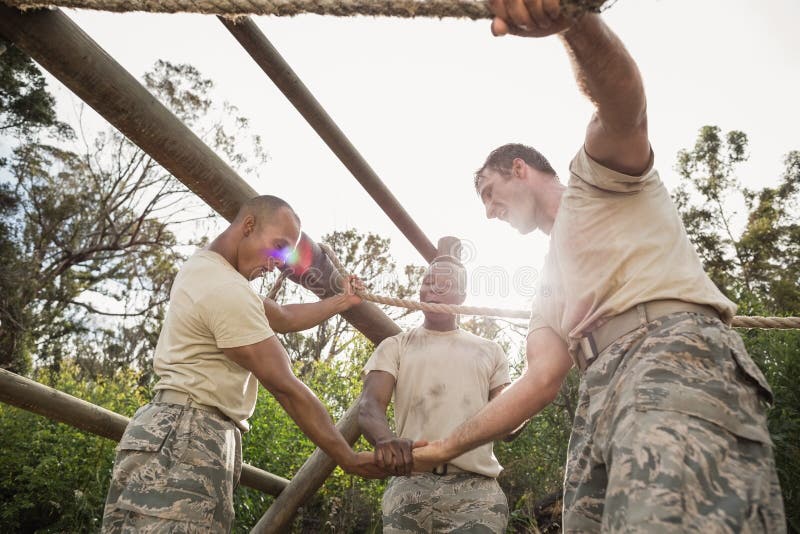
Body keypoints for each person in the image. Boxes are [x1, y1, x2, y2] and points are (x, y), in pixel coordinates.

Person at [412, 3, 786, 532]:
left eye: (489, 192)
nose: (488, 211)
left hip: (670, 354)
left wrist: (573, 21)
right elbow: (539, 381)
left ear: (520, 169)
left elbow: (624, 106)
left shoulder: (595, 178)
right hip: (598, 395)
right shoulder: (549, 281)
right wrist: (447, 445)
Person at [102, 195, 384, 533]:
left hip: (168, 433)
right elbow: (286, 386)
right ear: (248, 225)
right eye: (277, 246)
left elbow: (281, 315)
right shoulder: (225, 289)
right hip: (187, 438)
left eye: (285, 256)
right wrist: (347, 457)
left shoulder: (206, 269)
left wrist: (342, 301)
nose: (277, 264)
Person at [359, 252, 512, 533]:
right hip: (410, 484)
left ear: (462, 296)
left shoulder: (490, 351)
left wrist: (521, 411)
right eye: (428, 282)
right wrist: (385, 440)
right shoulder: (395, 346)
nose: (433, 289)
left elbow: (509, 412)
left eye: (445, 284)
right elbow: (369, 405)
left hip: (476, 490)